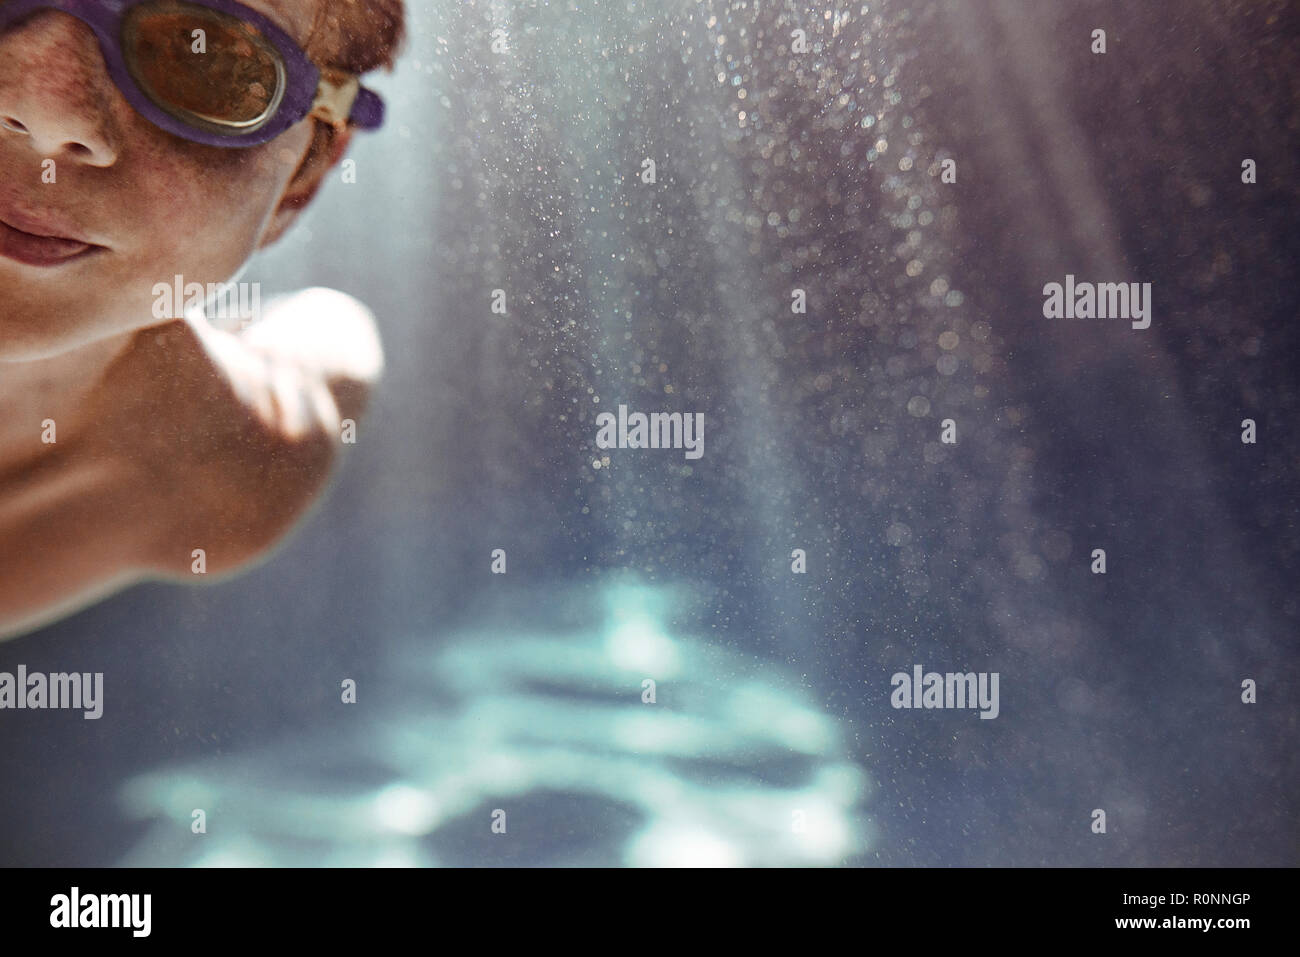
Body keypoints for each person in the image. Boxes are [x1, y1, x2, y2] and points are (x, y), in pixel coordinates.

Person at [0, 0, 404, 640]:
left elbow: (337, 337)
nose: (45, 110)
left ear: (300, 180)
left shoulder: (218, 475)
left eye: (203, 54)